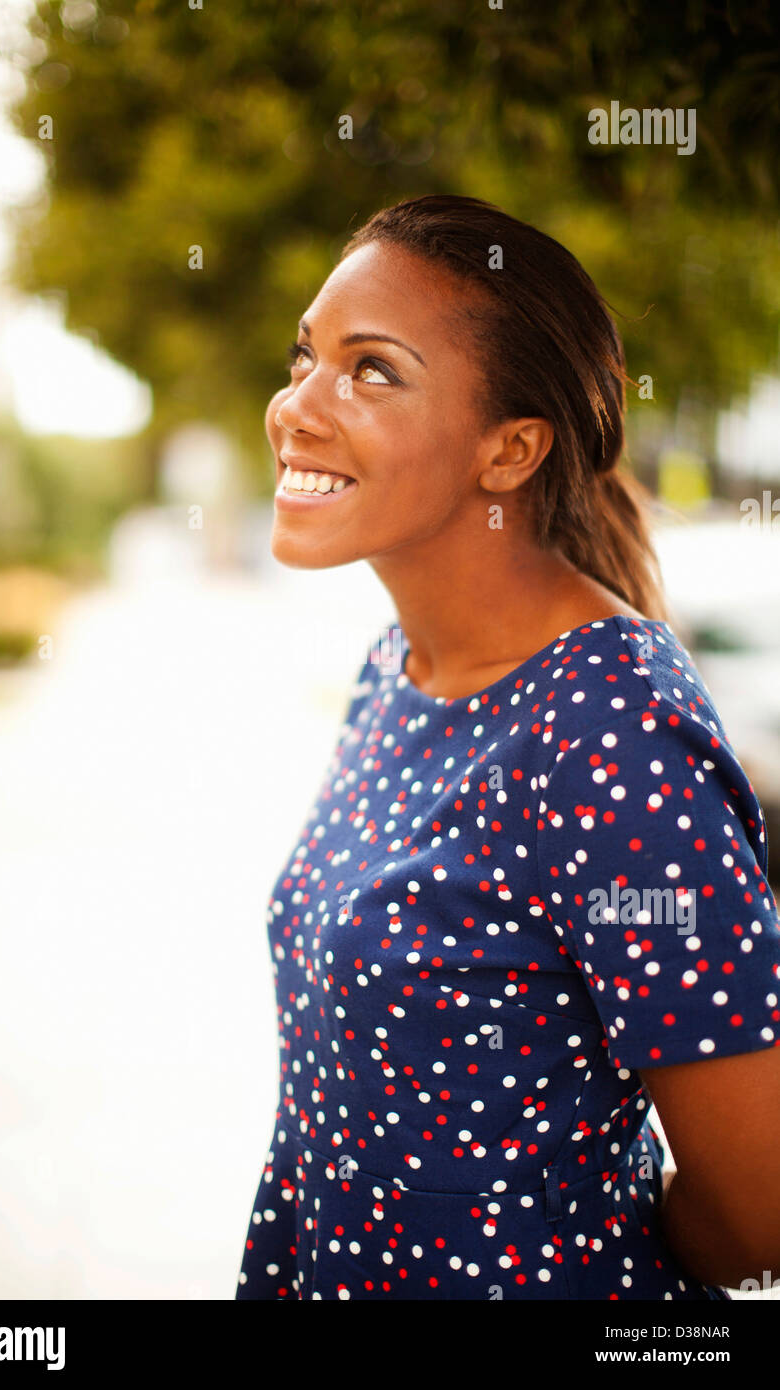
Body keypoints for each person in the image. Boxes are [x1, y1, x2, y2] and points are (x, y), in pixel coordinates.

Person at [235, 194, 780, 1300]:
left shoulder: (607, 735)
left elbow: (757, 1206)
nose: (297, 405)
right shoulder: (397, 665)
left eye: (371, 370)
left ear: (509, 449)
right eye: (307, 357)